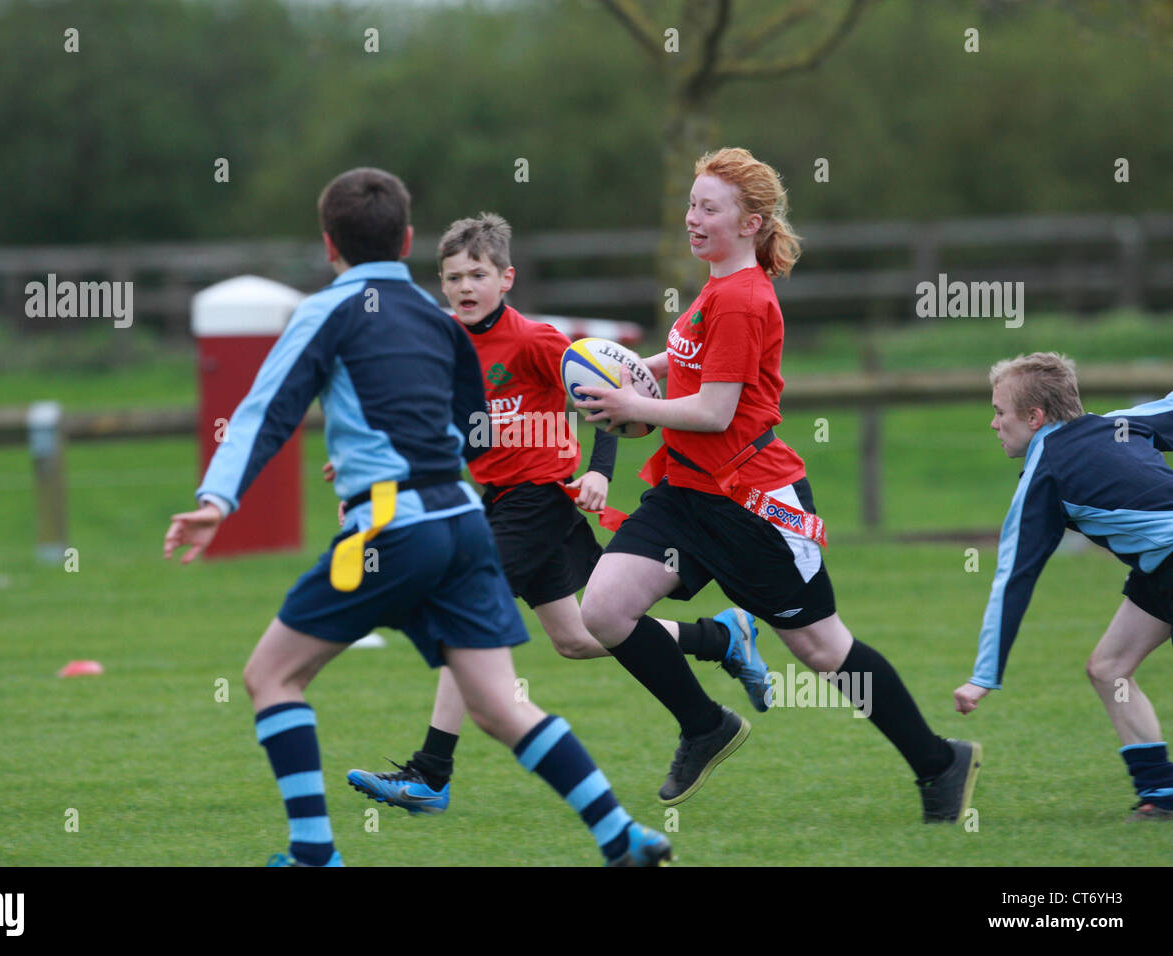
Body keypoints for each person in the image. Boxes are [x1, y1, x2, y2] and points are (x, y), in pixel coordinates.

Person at [162, 167, 672, 865]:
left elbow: (265, 412)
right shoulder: (442, 327)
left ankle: (313, 851)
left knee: (271, 677)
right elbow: (470, 432)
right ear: (406, 241)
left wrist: (217, 500)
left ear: (327, 246)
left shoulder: (325, 313)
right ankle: (622, 837)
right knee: (499, 706)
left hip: (391, 529)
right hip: (463, 522)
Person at [575, 147, 981, 821]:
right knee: (603, 611)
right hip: (686, 495)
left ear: (750, 222)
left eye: (710, 208)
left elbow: (714, 411)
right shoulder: (715, 285)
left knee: (824, 649)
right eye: (692, 204)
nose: (693, 218)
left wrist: (631, 408)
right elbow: (682, 360)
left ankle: (940, 763)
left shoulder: (742, 297)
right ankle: (705, 724)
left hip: (752, 505)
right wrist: (620, 369)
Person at [343, 212, 771, 816]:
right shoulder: (444, 344)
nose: (465, 287)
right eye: (453, 277)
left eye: (478, 274)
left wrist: (599, 469)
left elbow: (608, 391)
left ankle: (430, 773)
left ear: (506, 277)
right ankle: (719, 636)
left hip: (540, 498)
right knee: (579, 636)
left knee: (463, 611)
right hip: (501, 499)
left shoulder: (534, 340)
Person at [953, 352, 1173, 822]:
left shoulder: (1043, 475)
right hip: (1160, 570)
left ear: (1034, 418)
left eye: (999, 411)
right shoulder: (1117, 422)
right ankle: (1161, 794)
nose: (994, 424)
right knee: (1109, 667)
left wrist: (982, 676)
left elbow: (1013, 578)